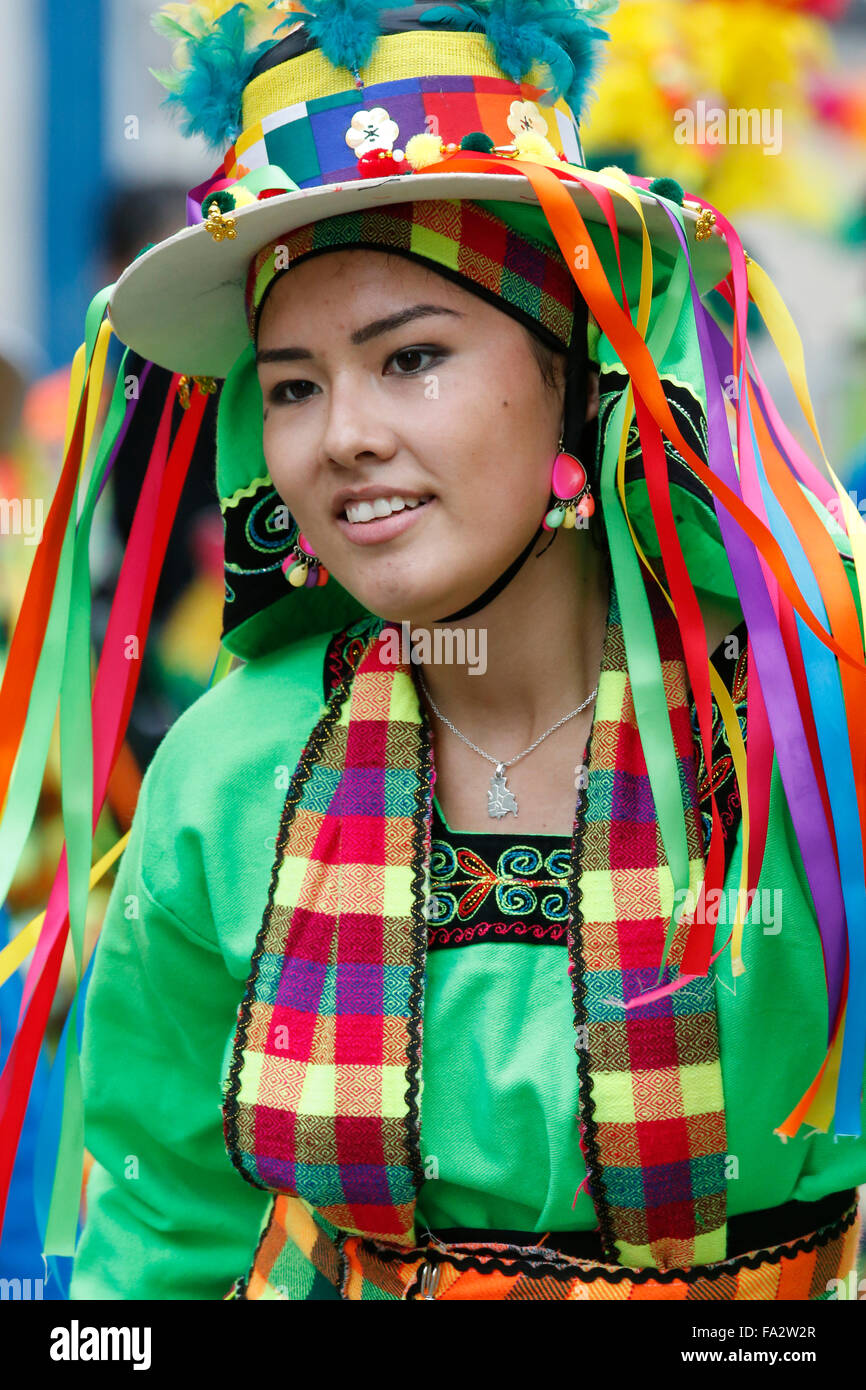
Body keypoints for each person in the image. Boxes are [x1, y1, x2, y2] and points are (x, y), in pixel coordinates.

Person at [4, 0, 866, 1301]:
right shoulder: (230, 774)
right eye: (292, 383)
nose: (339, 435)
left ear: (576, 372)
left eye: (409, 358)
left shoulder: (806, 733)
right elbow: (155, 1248)